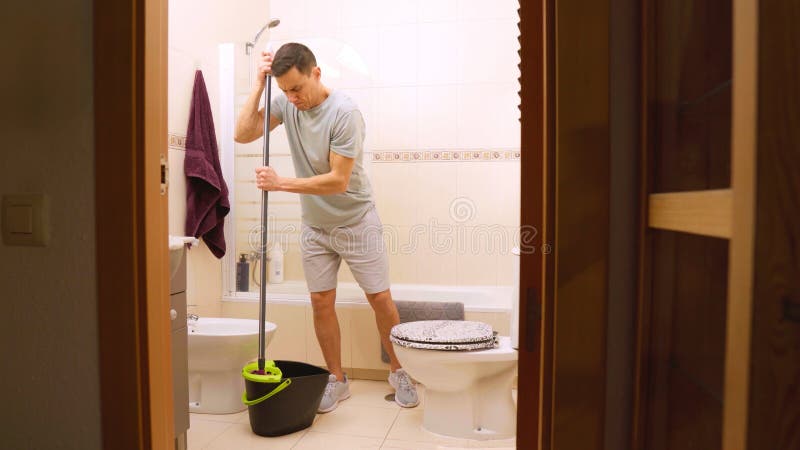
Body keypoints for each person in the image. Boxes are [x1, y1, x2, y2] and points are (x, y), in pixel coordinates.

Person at [234, 42, 418, 413]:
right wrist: (258, 85)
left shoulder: (345, 113)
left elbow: (338, 181)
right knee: (320, 301)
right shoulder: (286, 102)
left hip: (356, 220)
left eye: (297, 88)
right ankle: (336, 377)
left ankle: (400, 371)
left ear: (316, 74)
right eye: (285, 90)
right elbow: (243, 134)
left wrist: (281, 183)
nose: (292, 97)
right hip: (315, 225)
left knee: (380, 299)